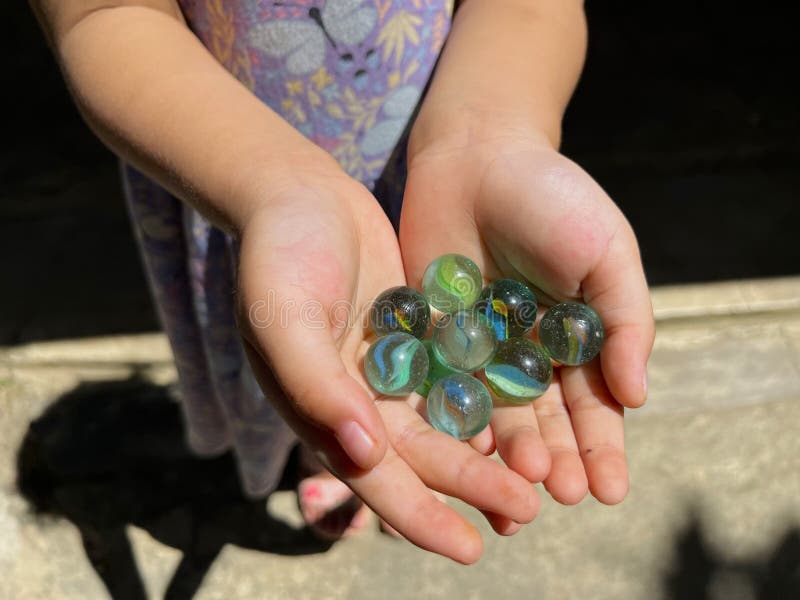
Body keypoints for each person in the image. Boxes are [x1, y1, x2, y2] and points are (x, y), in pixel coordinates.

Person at [30, 0, 654, 564]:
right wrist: (271, 186)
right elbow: (100, 12)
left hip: (425, 179)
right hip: (229, 160)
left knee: (334, 374)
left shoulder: (469, 312)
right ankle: (313, 440)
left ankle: (335, 441)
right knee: (299, 347)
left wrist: (491, 133)